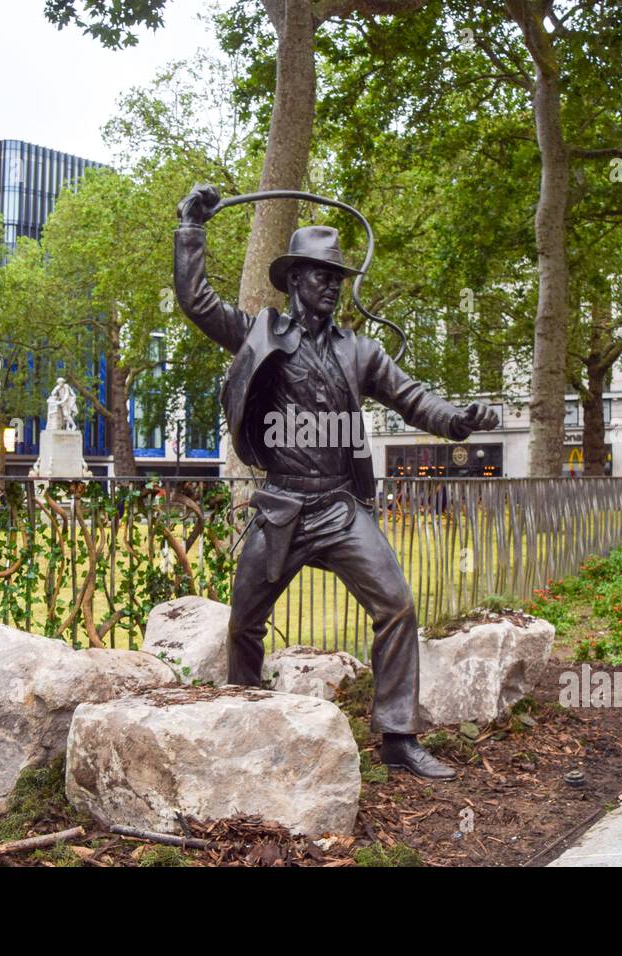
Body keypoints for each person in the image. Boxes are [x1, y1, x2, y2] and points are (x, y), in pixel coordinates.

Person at [175, 183, 499, 780]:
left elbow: (413, 398)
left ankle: (398, 737)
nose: (332, 285)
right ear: (295, 278)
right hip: (280, 506)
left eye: (338, 277)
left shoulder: (361, 351)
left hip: (338, 508)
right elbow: (197, 302)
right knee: (244, 621)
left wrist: (458, 422)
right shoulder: (261, 333)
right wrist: (190, 231)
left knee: (397, 606)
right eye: (321, 275)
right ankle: (245, 716)